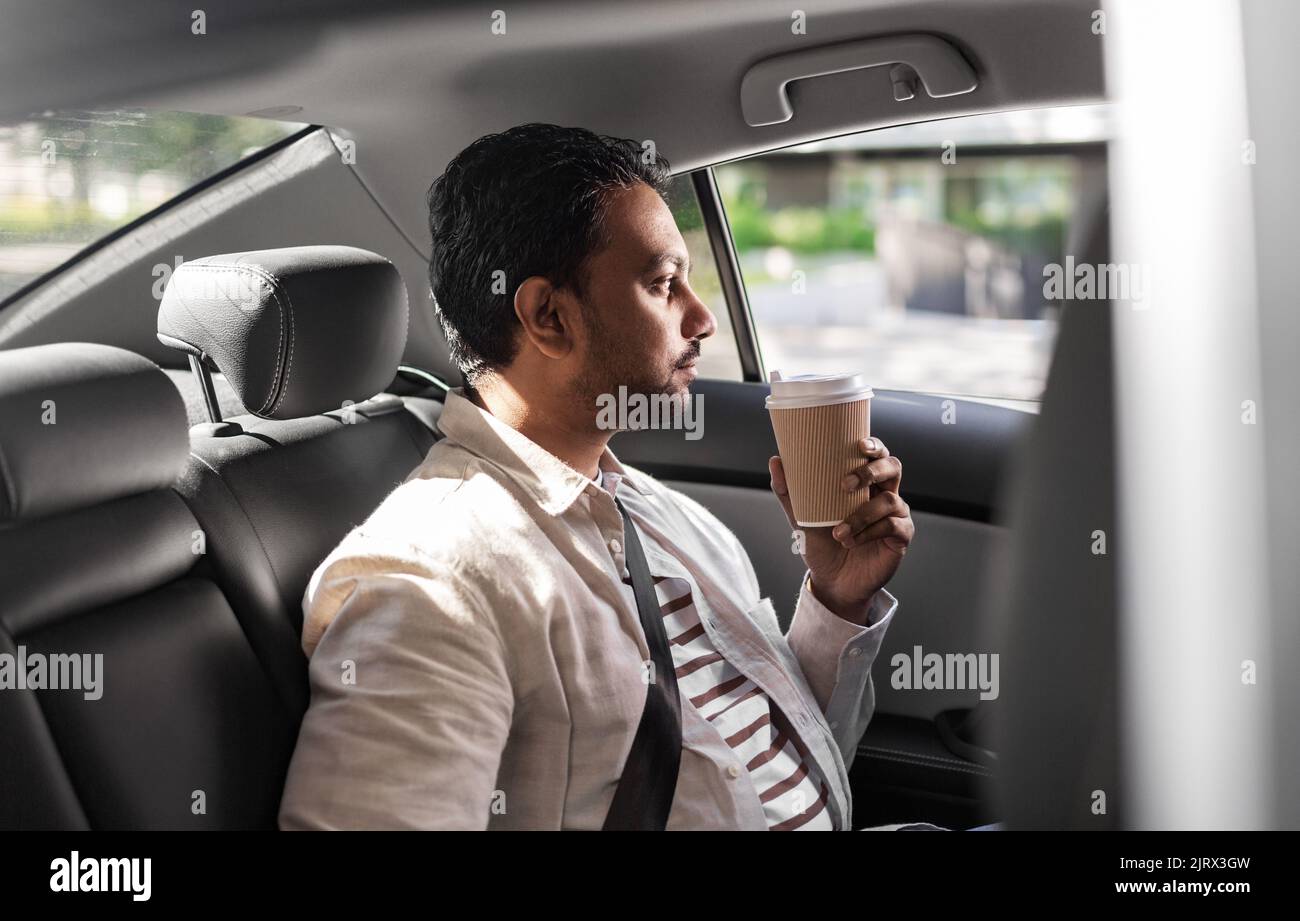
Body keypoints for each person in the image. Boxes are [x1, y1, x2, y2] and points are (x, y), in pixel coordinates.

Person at [278, 124, 915, 830]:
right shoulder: (431, 582)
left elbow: (784, 759)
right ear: (549, 316)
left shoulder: (669, 518)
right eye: (664, 284)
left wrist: (835, 598)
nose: (702, 320)